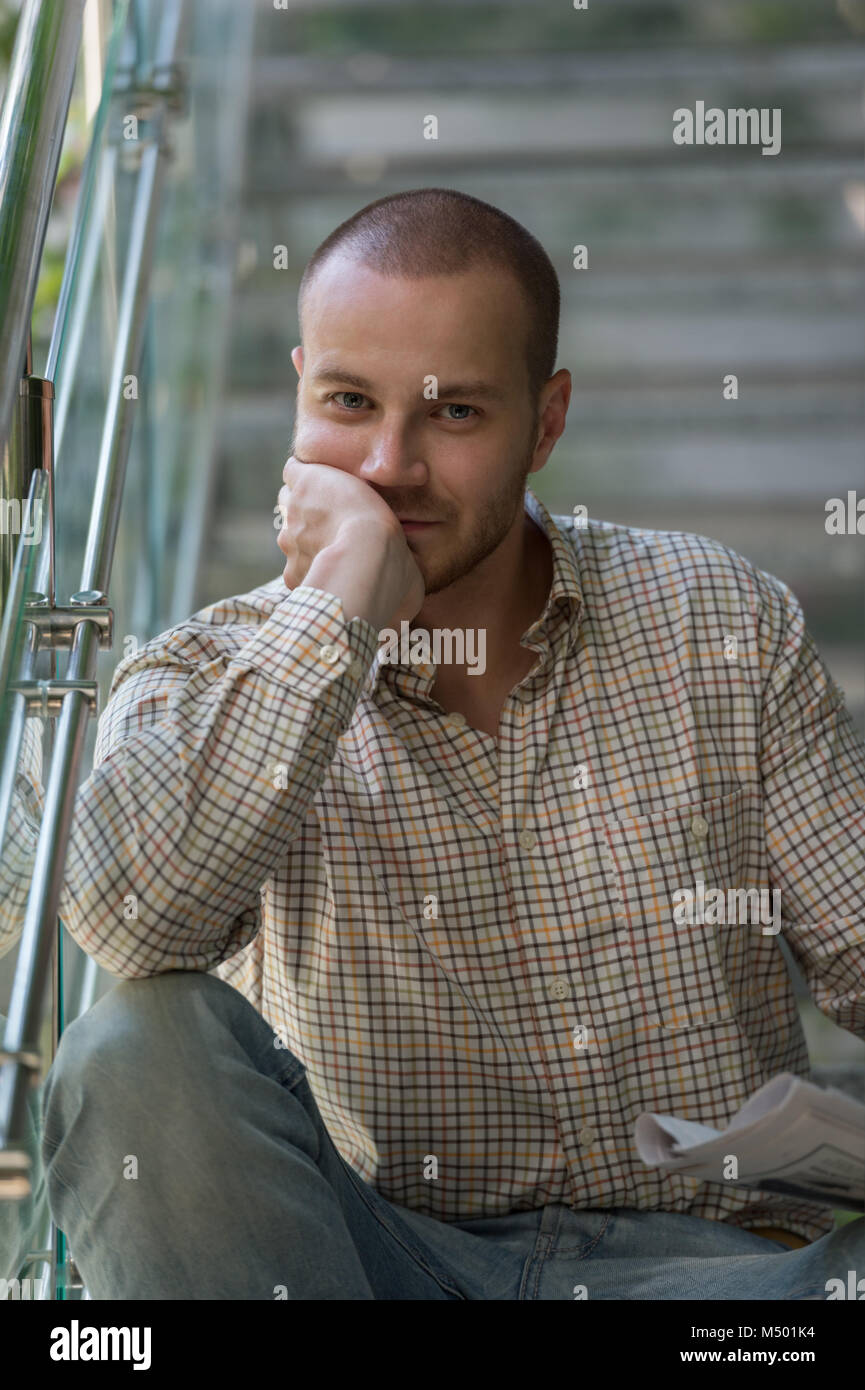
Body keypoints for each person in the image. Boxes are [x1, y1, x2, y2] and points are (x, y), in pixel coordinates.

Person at [34, 188, 865, 1299]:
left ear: (547, 418)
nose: (389, 465)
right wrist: (339, 612)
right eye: (346, 401)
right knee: (130, 1043)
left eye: (453, 414)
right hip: (371, 1266)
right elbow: (126, 924)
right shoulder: (205, 676)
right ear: (298, 394)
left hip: (717, 1278)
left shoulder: (716, 619)